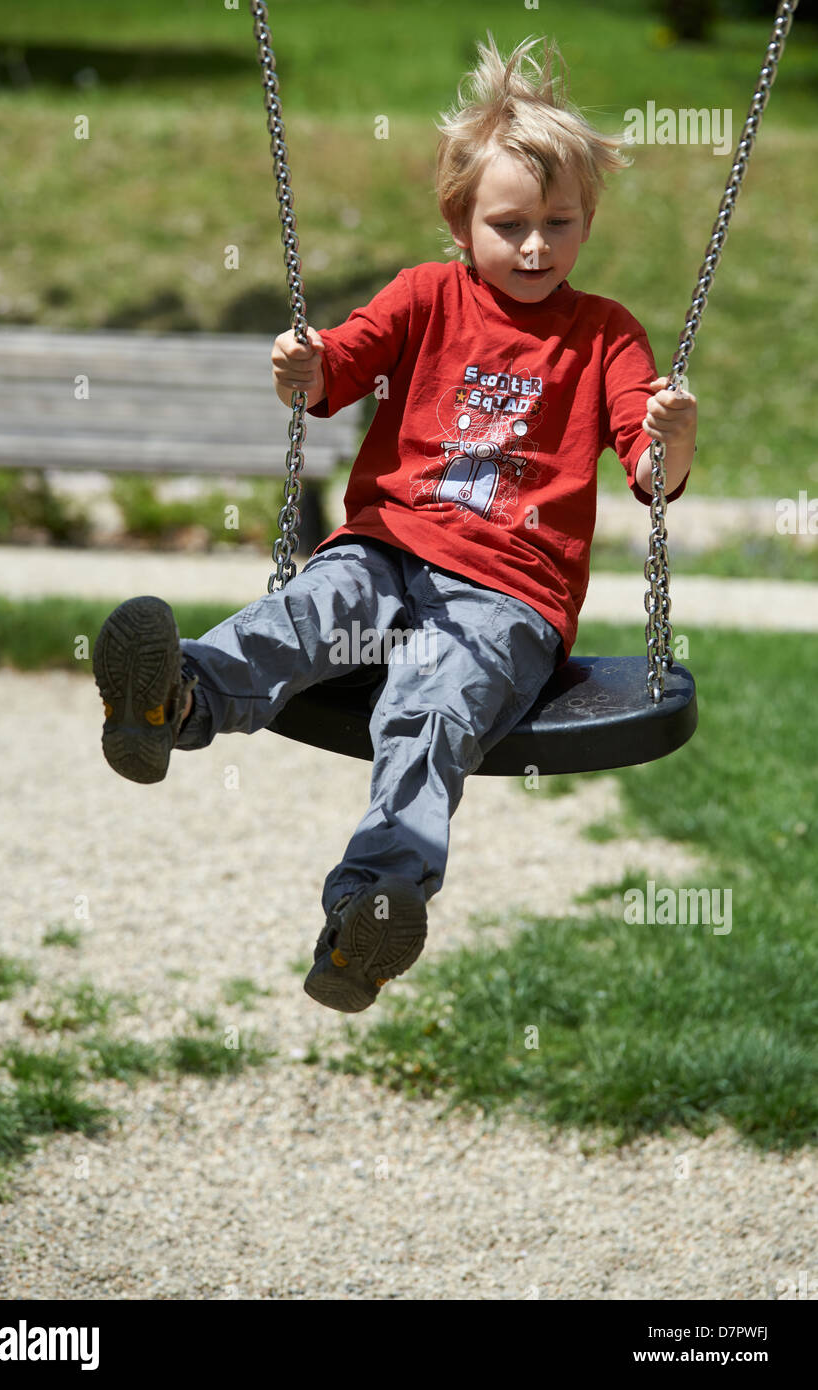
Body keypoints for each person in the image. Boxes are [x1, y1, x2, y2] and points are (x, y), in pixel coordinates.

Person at [93, 32, 697, 1015]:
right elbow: (345, 363)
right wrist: (310, 368)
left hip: (508, 597)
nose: (537, 245)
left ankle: (374, 907)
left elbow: (651, 468)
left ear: (588, 221)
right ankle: (172, 700)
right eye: (511, 224)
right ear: (461, 222)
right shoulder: (425, 297)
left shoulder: (606, 336)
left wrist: (675, 434)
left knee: (426, 709)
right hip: (385, 549)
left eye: (561, 221)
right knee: (303, 612)